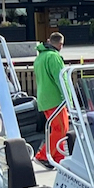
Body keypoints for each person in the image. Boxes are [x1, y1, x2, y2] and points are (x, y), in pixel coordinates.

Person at [33, 32, 69, 166]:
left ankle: (58, 158)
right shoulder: (54, 57)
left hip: (44, 99)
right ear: (60, 44)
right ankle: (43, 156)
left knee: (56, 129)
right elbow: (62, 80)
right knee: (61, 129)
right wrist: (69, 99)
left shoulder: (40, 57)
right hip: (55, 100)